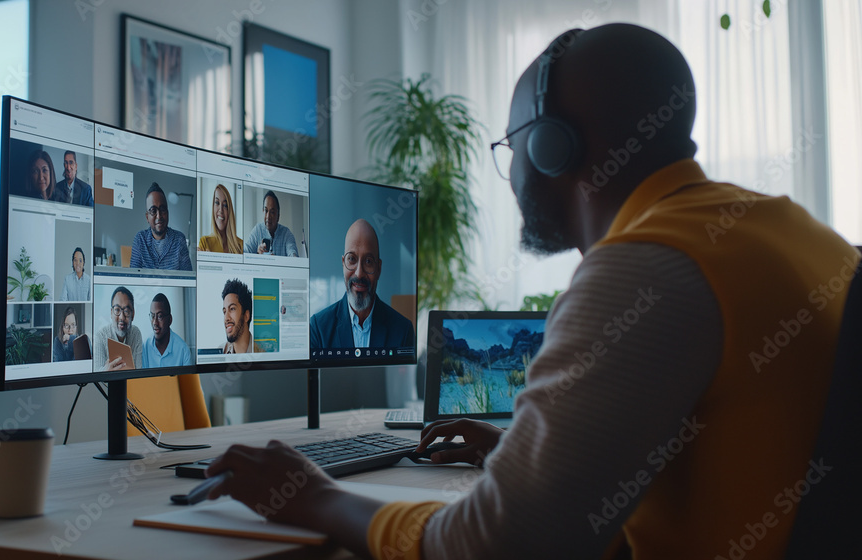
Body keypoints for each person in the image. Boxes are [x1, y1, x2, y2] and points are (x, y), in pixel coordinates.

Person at [205, 24, 861, 559]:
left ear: (554, 147)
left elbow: (496, 547)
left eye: (511, 145)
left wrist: (313, 495)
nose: (512, 170)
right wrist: (531, 462)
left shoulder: (646, 264)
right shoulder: (795, 230)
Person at [309, 218, 415, 350]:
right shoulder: (318, 329)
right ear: (343, 264)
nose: (359, 273)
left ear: (379, 268)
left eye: (368, 261)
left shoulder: (403, 331)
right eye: (352, 259)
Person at [130, 183, 193, 271]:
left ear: (167, 212)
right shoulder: (140, 239)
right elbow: (133, 278)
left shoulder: (179, 239)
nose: (159, 216)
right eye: (153, 210)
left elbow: (187, 278)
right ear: (147, 217)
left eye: (162, 209)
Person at [94, 287, 143, 371]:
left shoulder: (136, 333)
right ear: (111, 313)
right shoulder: (100, 336)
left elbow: (138, 371)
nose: (122, 317)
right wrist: (105, 372)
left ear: (133, 314)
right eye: (117, 310)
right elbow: (96, 373)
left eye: (126, 311)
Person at [142, 293, 193, 368]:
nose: (155, 322)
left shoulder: (183, 350)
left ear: (170, 320)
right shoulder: (145, 346)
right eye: (152, 316)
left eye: (160, 316)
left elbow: (188, 379)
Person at [244, 190, 298, 256]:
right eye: (266, 211)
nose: (268, 216)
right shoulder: (257, 230)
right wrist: (256, 255)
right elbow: (245, 252)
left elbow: (293, 254)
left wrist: (275, 261)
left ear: (278, 216)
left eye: (272, 212)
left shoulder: (286, 234)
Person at [197, 184, 243, 254]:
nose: (220, 210)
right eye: (217, 203)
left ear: (229, 211)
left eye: (225, 205)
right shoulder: (205, 242)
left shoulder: (240, 245)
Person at [220, 278, 261, 353]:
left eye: (232, 309)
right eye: (224, 311)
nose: (226, 318)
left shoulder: (263, 354)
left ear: (246, 316)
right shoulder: (221, 352)